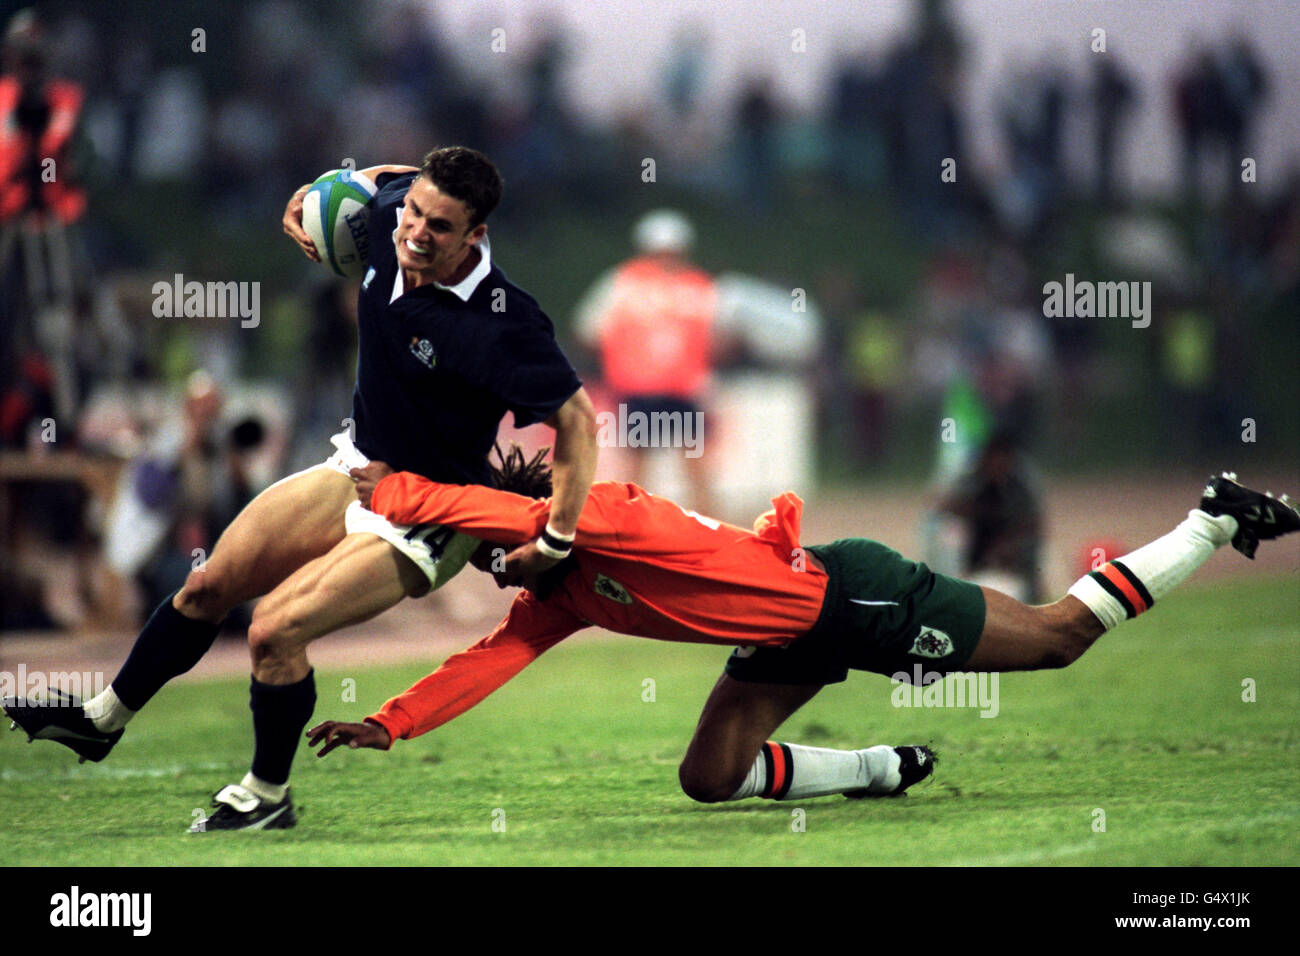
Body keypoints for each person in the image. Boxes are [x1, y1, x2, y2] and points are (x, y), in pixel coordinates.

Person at [5, 147, 599, 832]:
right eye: (414, 212)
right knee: (207, 585)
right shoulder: (391, 212)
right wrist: (311, 192)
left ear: (476, 237)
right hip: (358, 466)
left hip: (433, 510)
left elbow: (578, 421)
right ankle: (100, 721)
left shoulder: (504, 322)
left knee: (274, 629)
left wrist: (558, 536)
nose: (415, 232)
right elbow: (381, 179)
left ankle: (266, 795)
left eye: (439, 226)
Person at [306, 452, 1297, 807]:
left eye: (502, 551)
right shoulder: (558, 596)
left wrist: (390, 487)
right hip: (791, 635)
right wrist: (387, 722)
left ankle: (1210, 516)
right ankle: (877, 768)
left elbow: (519, 517)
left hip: (854, 596)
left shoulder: (596, 510)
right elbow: (488, 657)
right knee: (706, 776)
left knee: (1054, 636)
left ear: (536, 524)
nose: (502, 572)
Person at [574, 209, 718, 515]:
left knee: (695, 464)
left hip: (683, 389)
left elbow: (714, 336)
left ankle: (707, 529)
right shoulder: (622, 282)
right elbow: (589, 330)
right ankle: (632, 528)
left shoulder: (697, 285)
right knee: (638, 465)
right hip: (637, 389)